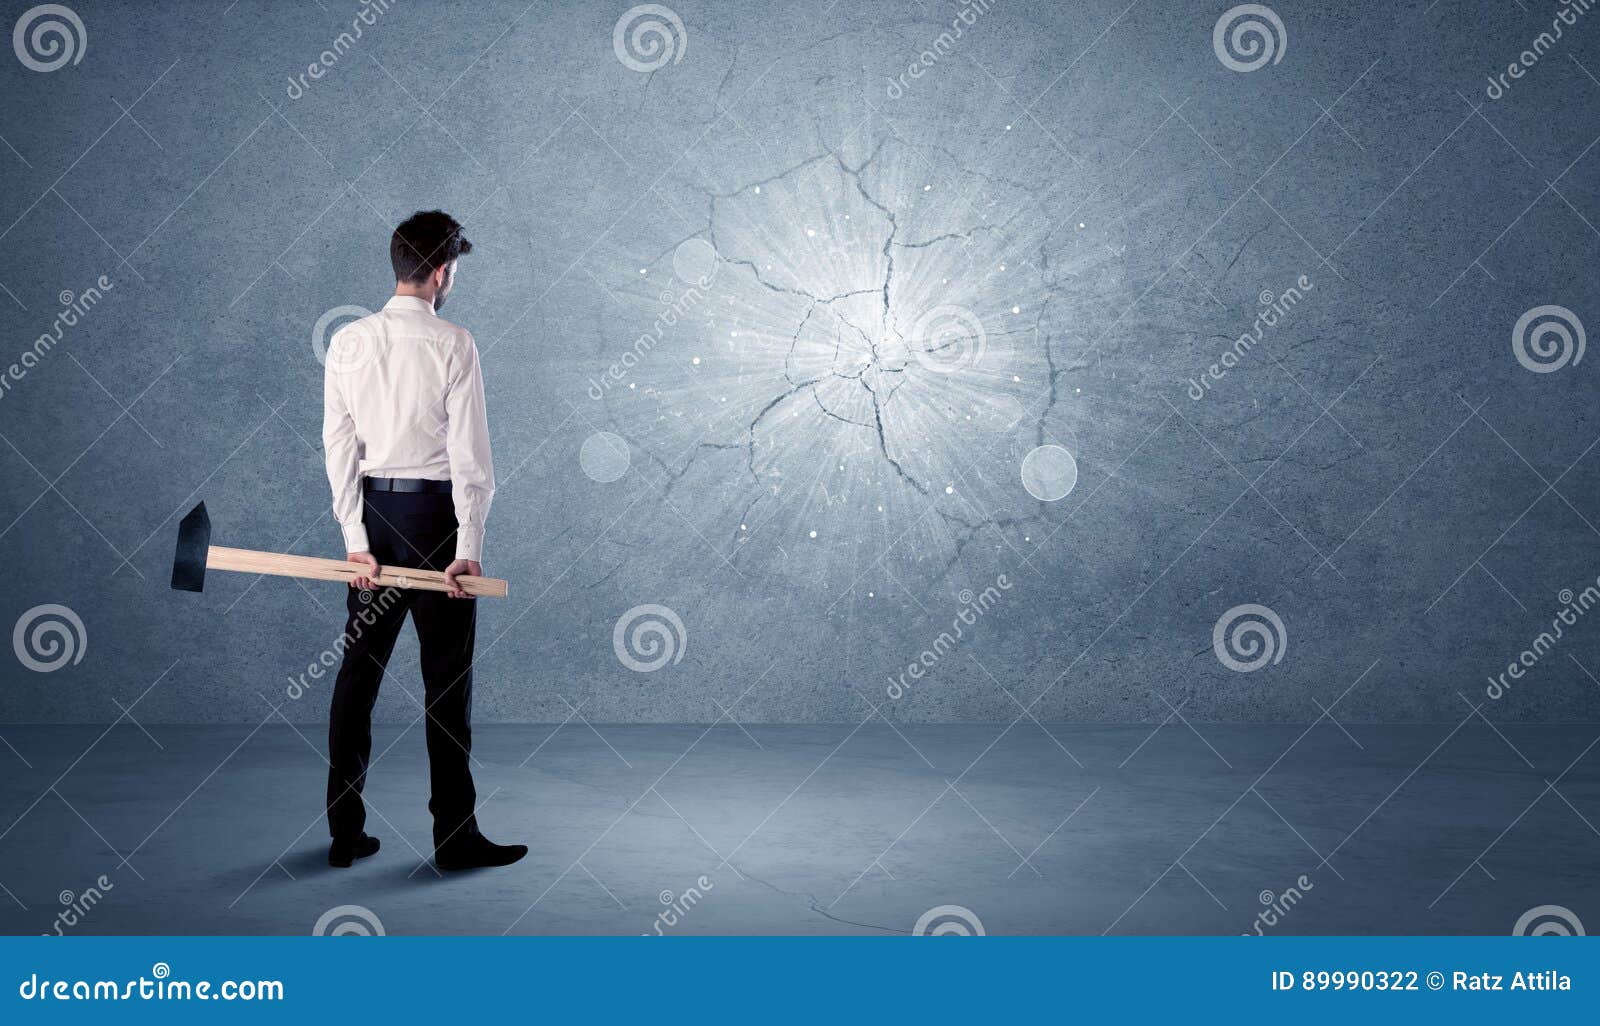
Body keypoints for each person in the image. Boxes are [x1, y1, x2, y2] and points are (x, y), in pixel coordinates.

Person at [320, 210, 525, 871]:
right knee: (447, 683)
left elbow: (338, 448)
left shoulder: (348, 341)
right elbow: (471, 459)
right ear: (440, 272)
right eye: (453, 269)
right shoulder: (455, 342)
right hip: (439, 522)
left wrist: (355, 539)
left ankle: (344, 833)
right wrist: (469, 545)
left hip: (375, 518)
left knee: (358, 677)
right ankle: (454, 839)